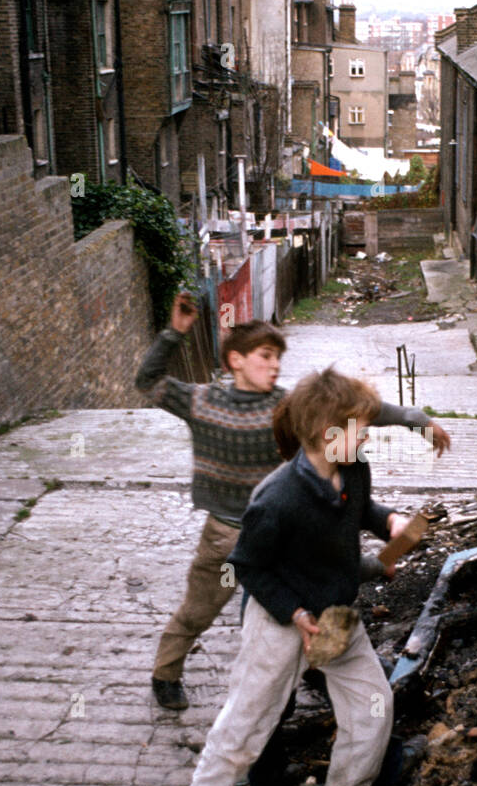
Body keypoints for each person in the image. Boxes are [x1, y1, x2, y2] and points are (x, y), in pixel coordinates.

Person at [135, 293, 450, 711]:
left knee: (292, 606)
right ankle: (166, 673)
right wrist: (174, 332)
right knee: (200, 611)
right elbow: (149, 381)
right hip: (227, 540)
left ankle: (308, 673)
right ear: (236, 360)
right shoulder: (201, 402)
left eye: (278, 357)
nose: (275, 365)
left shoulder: (285, 406)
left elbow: (354, 409)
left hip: (284, 538)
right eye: (265, 356)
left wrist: (416, 419)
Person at [172, 368, 407, 786]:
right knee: (248, 724)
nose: (367, 435)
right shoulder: (276, 500)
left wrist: (389, 521)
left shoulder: (354, 466)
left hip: (338, 615)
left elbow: (360, 508)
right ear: (328, 435)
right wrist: (295, 614)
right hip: (282, 621)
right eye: (360, 427)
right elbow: (246, 567)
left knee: (373, 702)